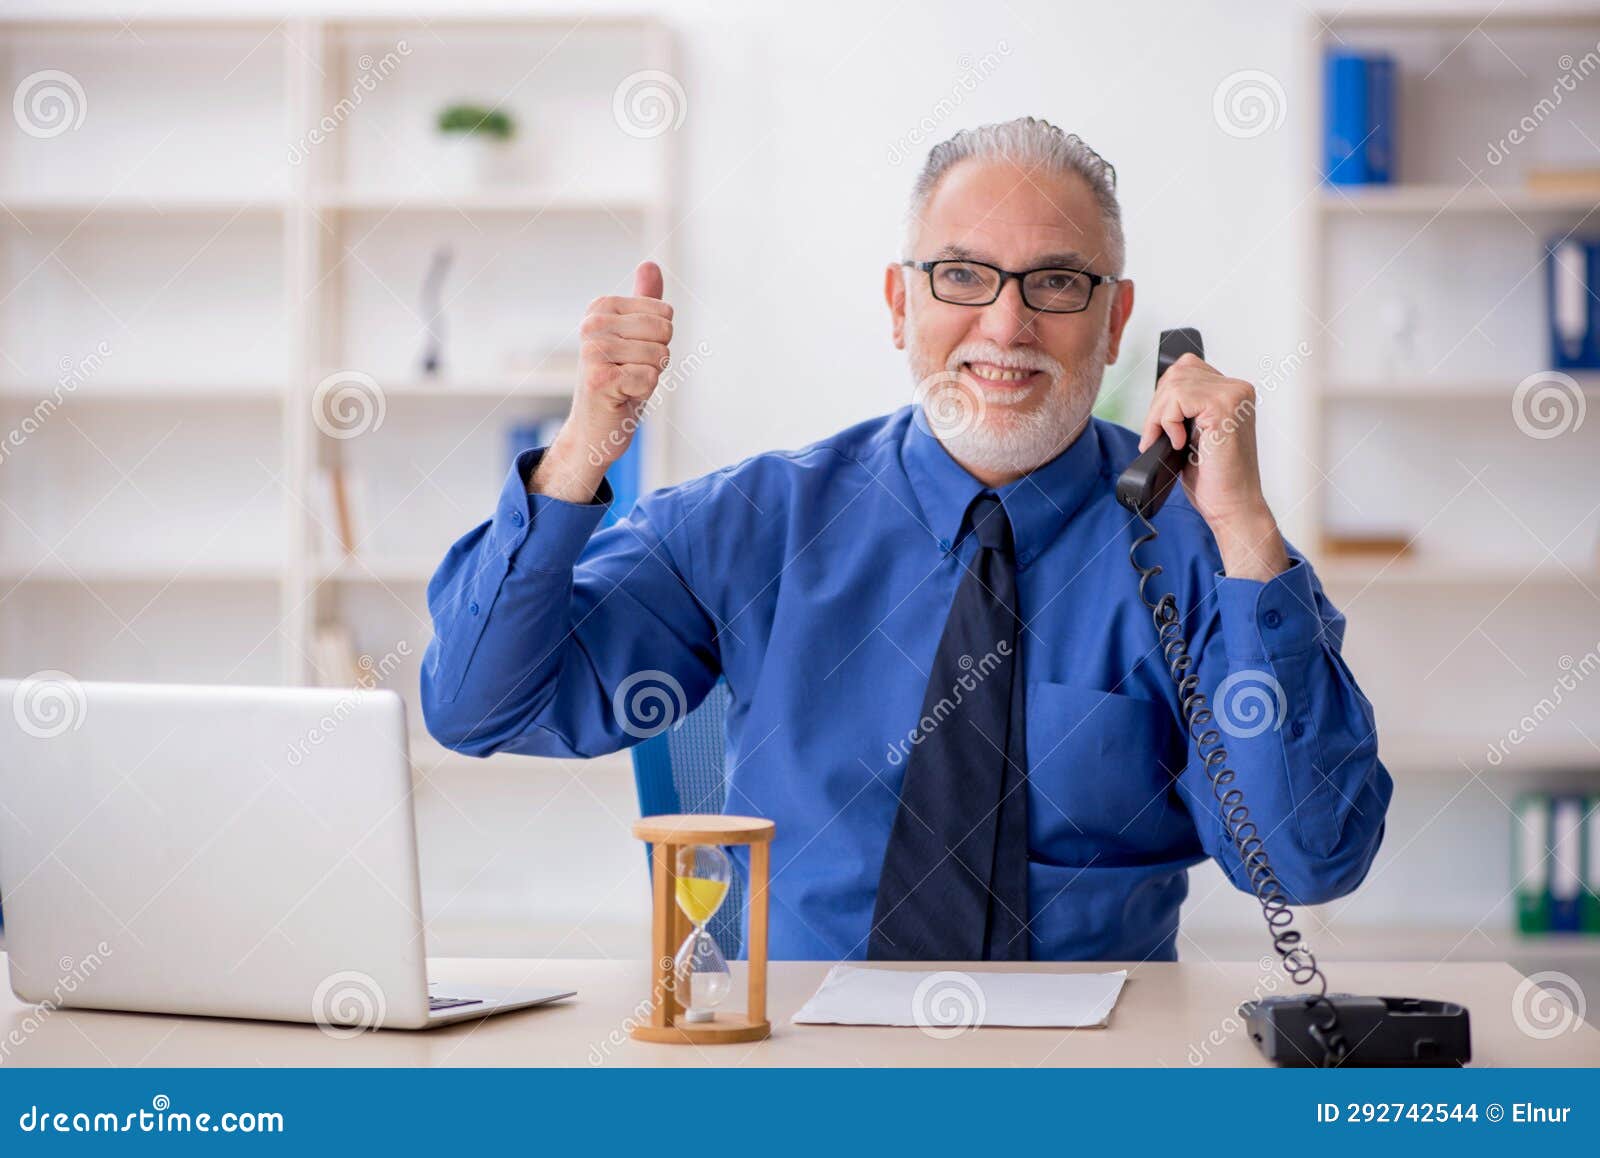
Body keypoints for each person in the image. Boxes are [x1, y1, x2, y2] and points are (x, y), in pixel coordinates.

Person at [421, 117, 1392, 962]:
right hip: (801, 1060)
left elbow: (1305, 860)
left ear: (1115, 318)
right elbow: (474, 708)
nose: (1006, 325)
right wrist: (584, 447)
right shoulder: (757, 520)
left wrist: (1245, 528)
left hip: (1090, 1070)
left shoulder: (1193, 553)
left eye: (1055, 282)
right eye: (962, 275)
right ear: (900, 304)